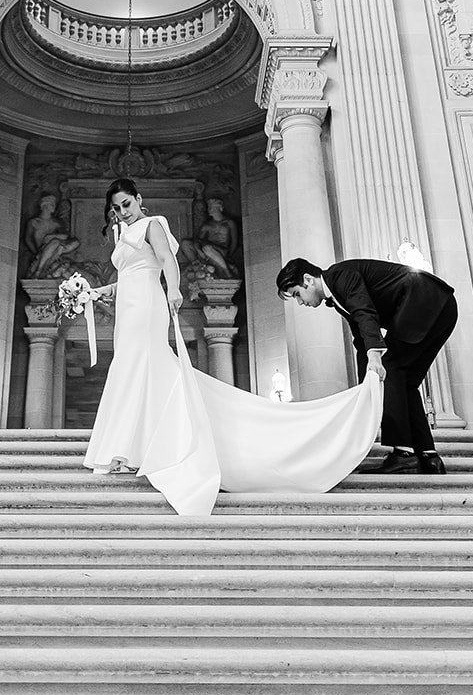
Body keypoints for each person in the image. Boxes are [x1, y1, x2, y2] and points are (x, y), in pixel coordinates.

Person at [83, 179, 382, 515]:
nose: (123, 212)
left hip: (147, 305)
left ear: (138, 199)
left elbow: (166, 260)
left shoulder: (152, 224)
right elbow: (128, 275)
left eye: (126, 204)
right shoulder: (122, 234)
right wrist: (97, 291)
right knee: (131, 366)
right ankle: (133, 448)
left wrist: (174, 290)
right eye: (117, 208)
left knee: (140, 363)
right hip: (127, 306)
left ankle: (132, 450)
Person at [277, 255, 458, 475]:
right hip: (441, 306)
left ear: (308, 279)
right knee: (405, 382)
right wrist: (365, 382)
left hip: (424, 302)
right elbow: (361, 338)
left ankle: (403, 454)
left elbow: (365, 313)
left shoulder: (340, 276)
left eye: (297, 294)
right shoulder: (337, 293)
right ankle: (429, 456)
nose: (300, 302)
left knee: (390, 368)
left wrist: (375, 358)